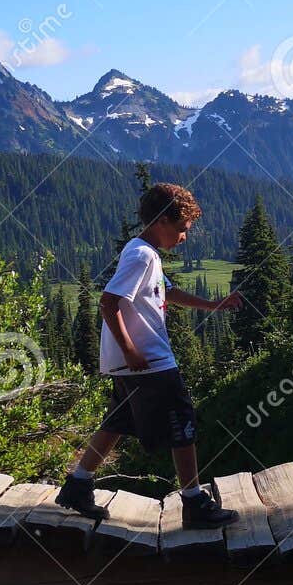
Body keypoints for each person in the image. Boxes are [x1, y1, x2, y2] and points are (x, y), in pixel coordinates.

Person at [56, 182, 242, 526]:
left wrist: (213, 305)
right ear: (161, 221)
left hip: (133, 364)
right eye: (182, 228)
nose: (184, 237)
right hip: (148, 361)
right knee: (182, 422)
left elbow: (167, 292)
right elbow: (109, 302)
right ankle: (194, 503)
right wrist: (130, 350)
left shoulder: (145, 253)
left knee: (117, 422)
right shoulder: (141, 255)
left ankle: (77, 485)